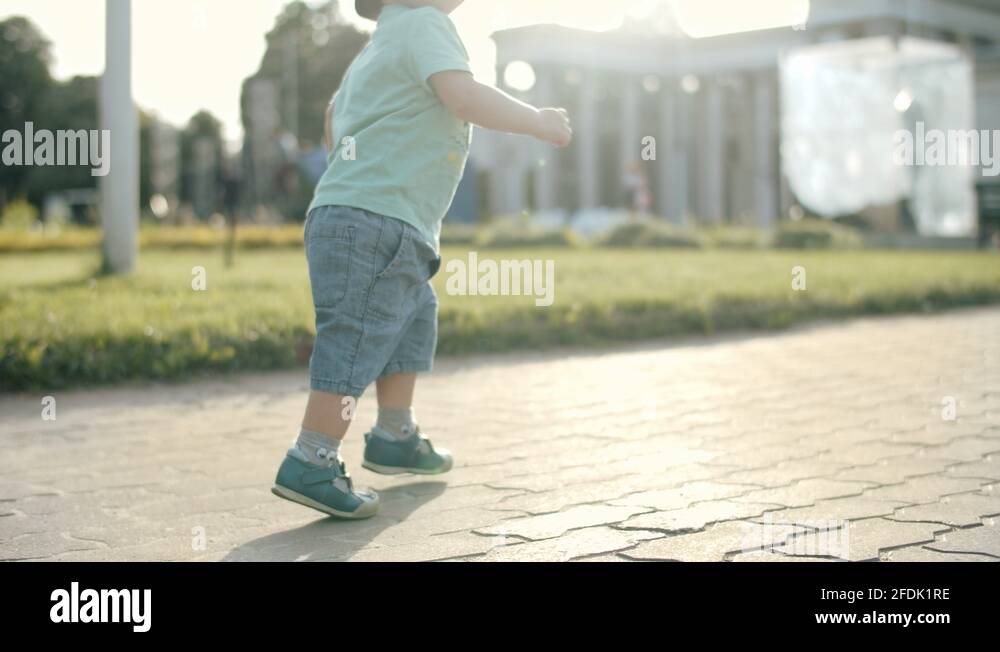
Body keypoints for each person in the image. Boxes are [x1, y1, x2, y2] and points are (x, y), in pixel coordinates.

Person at [271, 0, 573, 518]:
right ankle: (312, 457)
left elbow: (332, 129)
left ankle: (394, 433)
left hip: (376, 221)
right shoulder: (427, 24)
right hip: (376, 221)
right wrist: (537, 120)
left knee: (411, 319)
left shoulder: (373, 53)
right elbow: (465, 97)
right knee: (357, 336)